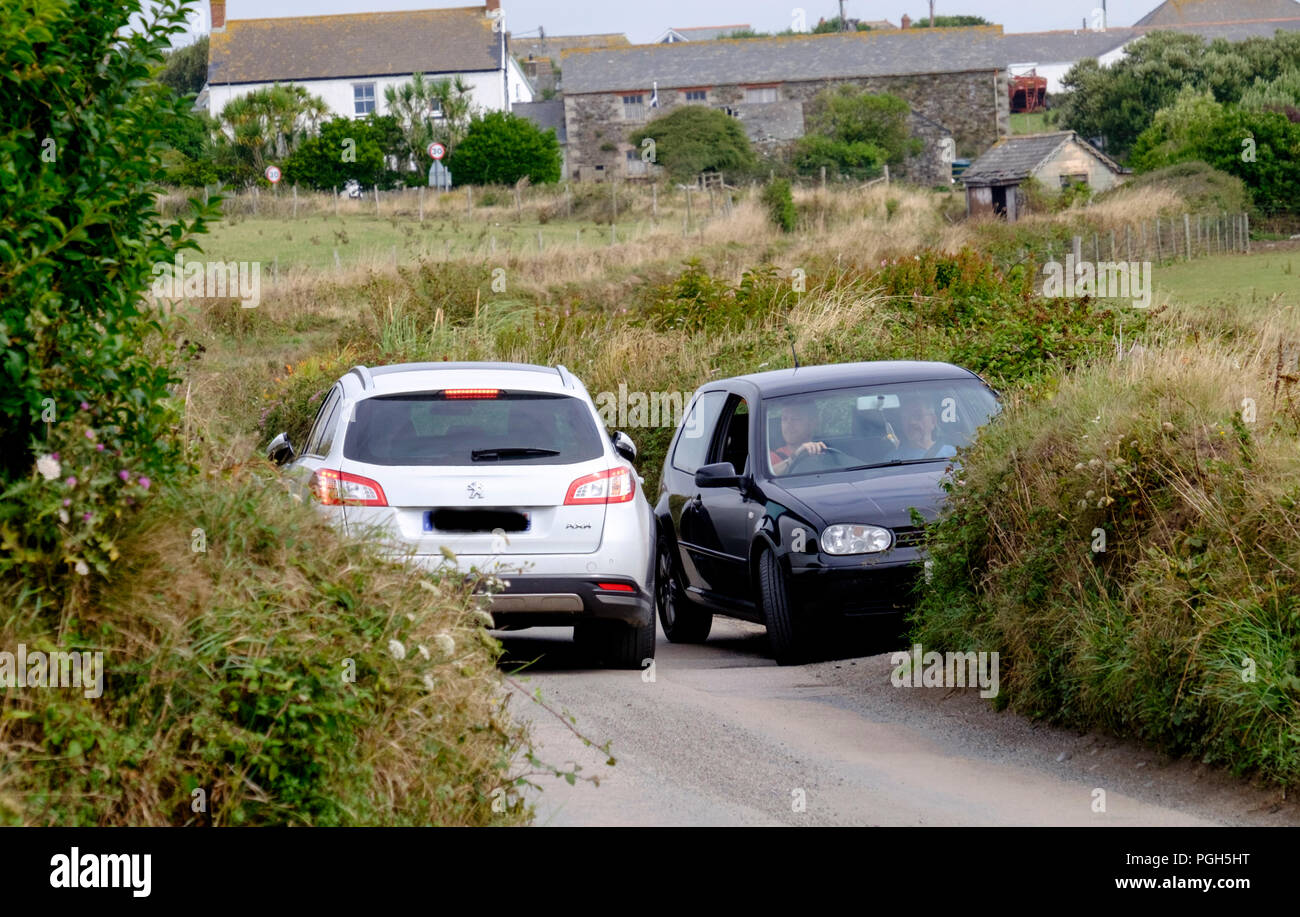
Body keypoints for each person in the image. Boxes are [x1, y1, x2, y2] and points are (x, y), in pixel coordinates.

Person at [769, 399, 828, 475]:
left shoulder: (826, 452)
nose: (788, 424)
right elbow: (764, 478)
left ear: (813, 423)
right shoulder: (772, 457)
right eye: (784, 419)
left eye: (795, 418)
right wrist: (794, 458)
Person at [894, 392, 957, 460]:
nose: (912, 422)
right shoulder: (893, 460)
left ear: (933, 421)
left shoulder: (953, 454)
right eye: (905, 417)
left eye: (918, 415)